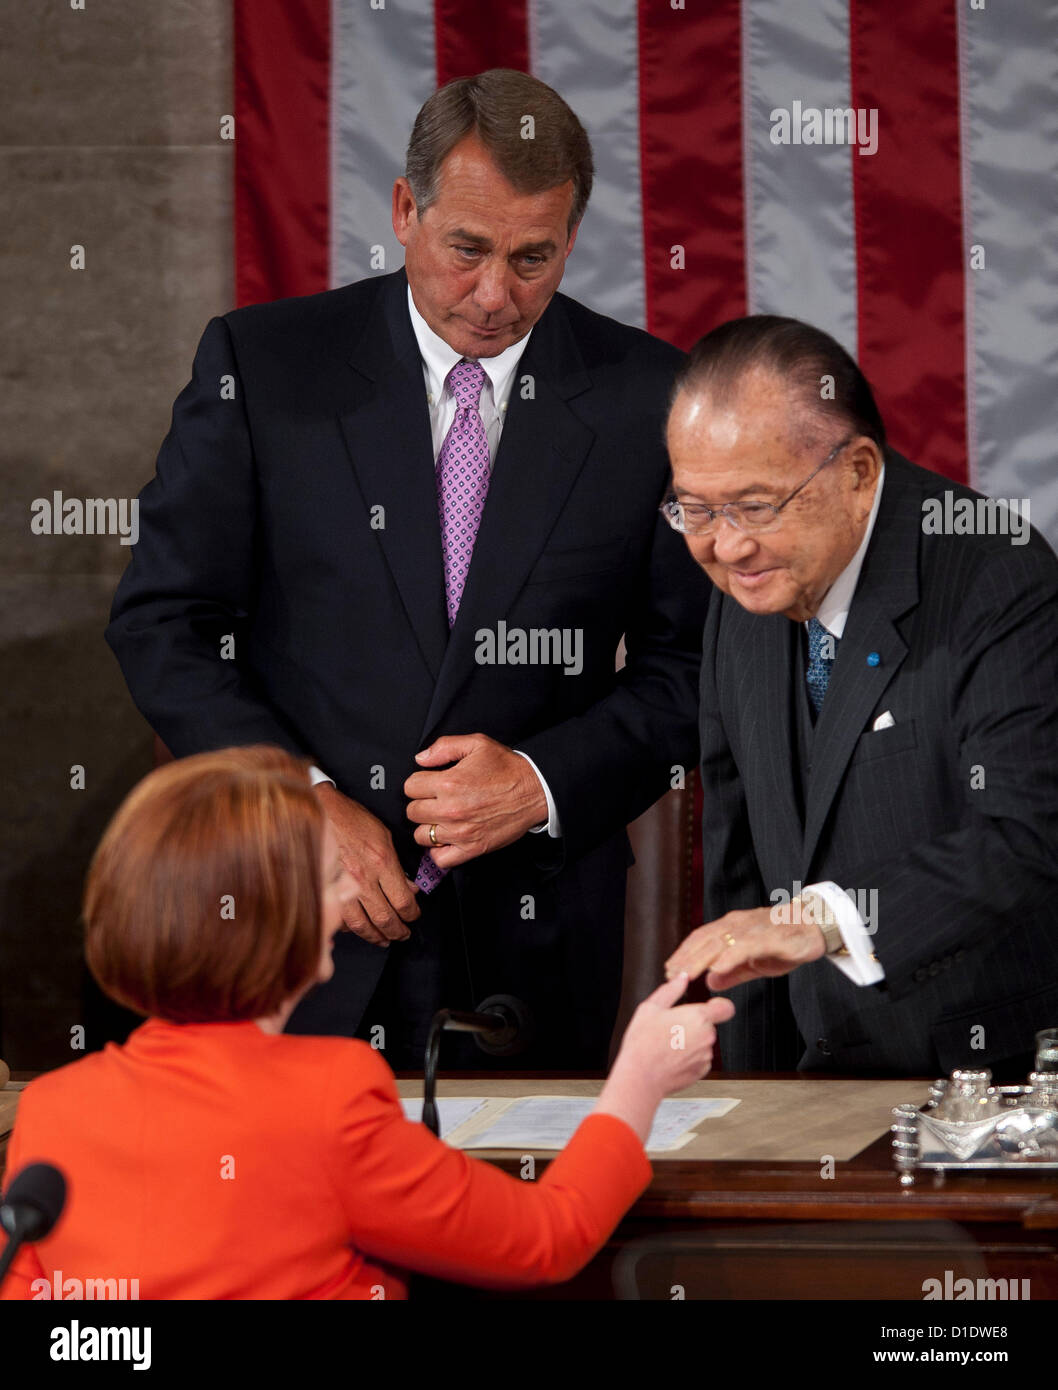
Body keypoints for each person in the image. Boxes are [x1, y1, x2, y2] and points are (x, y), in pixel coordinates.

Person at [105, 69, 707, 1071]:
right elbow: (164, 624)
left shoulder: (650, 397)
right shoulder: (262, 366)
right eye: (466, 249)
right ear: (402, 210)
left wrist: (540, 778)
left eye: (533, 258)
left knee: (528, 1227)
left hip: (531, 938)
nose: (494, 295)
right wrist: (295, 799)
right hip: (291, 922)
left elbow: (695, 665)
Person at [0, 748, 732, 1301]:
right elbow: (547, 1240)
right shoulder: (331, 1092)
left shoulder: (53, 1109)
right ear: (269, 923)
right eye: (327, 878)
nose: (353, 888)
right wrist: (640, 1079)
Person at [661, 315, 1058, 1078]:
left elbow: (1026, 832)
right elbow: (740, 875)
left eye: (755, 505)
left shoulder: (997, 576)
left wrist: (831, 920)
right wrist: (748, 1116)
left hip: (988, 1083)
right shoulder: (744, 589)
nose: (726, 545)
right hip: (819, 1085)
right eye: (696, 510)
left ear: (859, 473)